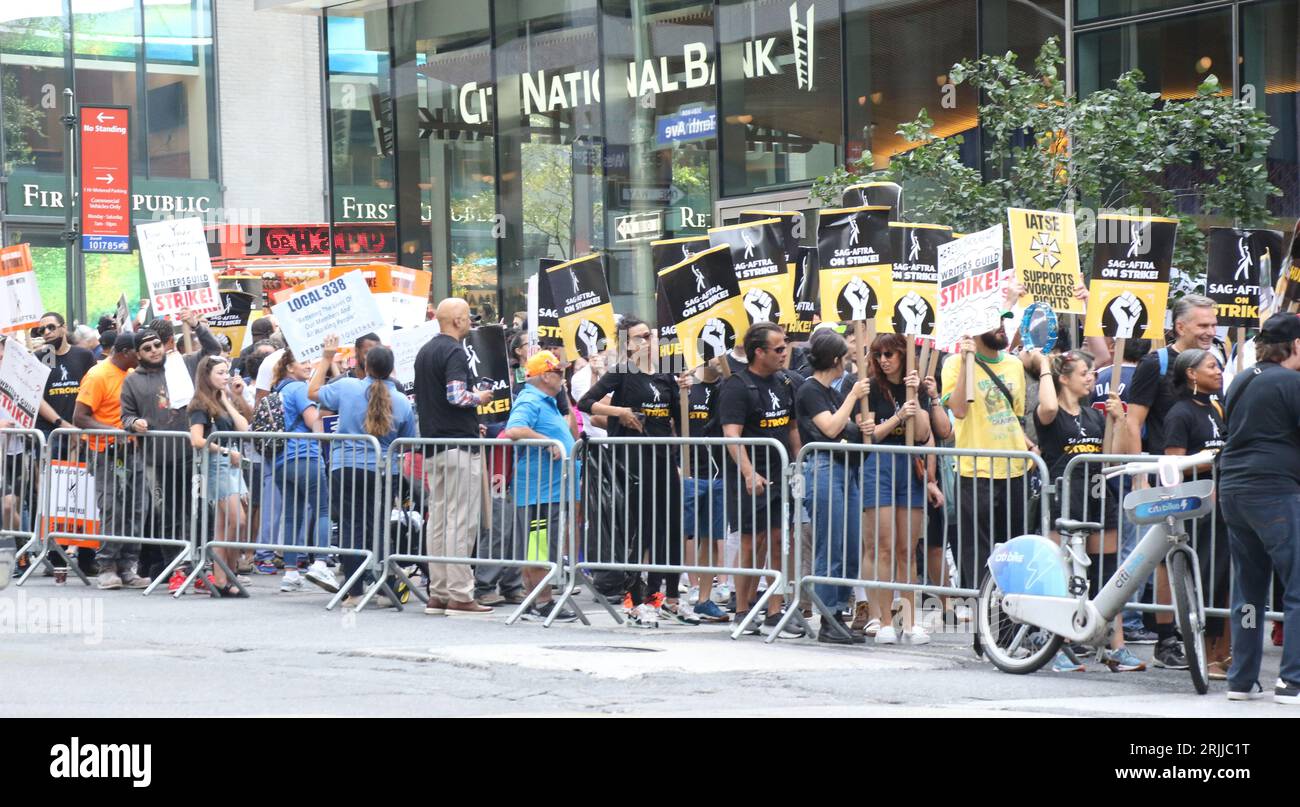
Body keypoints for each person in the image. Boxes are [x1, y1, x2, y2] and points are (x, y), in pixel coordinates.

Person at [1032, 349, 1144, 673]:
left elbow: (1112, 458)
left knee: (1107, 574)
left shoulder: (1094, 415)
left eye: (1092, 373)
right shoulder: (1049, 413)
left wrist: (1119, 420)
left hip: (1097, 500)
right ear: (1063, 378)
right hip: (1065, 500)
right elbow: (1050, 404)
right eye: (1084, 373)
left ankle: (1115, 647)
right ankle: (1058, 646)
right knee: (1063, 575)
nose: (1091, 378)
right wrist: (1043, 365)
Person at [578, 316, 691, 627]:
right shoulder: (623, 372)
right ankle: (634, 600)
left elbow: (677, 420)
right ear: (628, 344)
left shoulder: (668, 372)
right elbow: (585, 402)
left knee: (668, 530)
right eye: (640, 337)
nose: (648, 341)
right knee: (640, 530)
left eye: (650, 336)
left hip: (663, 457)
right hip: (632, 459)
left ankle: (667, 598)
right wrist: (620, 412)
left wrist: (684, 390)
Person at [1217, 313, 1300, 704]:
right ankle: (1293, 681)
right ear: (1296, 345)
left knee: (1248, 590)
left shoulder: (1242, 378)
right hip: (1275, 492)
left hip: (1235, 489)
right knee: (1297, 588)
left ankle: (1242, 678)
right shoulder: (1291, 382)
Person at [309, 334, 416, 609]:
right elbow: (408, 438)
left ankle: (354, 591)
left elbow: (312, 392)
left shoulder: (346, 387)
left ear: (365, 366)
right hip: (383, 471)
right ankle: (384, 588)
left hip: (346, 467)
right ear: (391, 369)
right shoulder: (402, 401)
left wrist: (327, 357)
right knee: (379, 527)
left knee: (350, 527)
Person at [719, 322, 804, 638]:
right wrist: (748, 472)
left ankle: (774, 612)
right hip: (751, 477)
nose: (785, 353)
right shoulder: (737, 386)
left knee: (781, 542)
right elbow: (731, 434)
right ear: (759, 352)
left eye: (785, 346)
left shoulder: (786, 381)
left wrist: (799, 464)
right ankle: (743, 609)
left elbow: (792, 426)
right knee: (752, 543)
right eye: (779, 348)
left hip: (782, 474)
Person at [414, 298, 494, 617]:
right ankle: (460, 594)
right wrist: (481, 398)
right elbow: (456, 395)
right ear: (458, 320)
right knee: (461, 521)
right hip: (458, 447)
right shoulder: (455, 351)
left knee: (441, 520)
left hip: (434, 445)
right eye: (468, 319)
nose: (471, 324)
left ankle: (439, 592)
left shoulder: (424, 352)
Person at [861, 332, 942, 645]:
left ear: (902, 355)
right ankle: (882, 620)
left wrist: (916, 397)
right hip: (878, 465)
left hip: (909, 467)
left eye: (889, 354)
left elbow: (923, 434)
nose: (883, 360)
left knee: (907, 549)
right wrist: (897, 414)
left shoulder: (916, 385)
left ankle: (909, 620)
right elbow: (870, 435)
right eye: (879, 354)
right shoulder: (869, 386)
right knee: (882, 546)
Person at [941, 324, 1033, 592]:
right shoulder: (954, 364)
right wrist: (968, 360)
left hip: (1015, 470)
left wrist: (1028, 446)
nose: (1003, 329)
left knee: (1015, 550)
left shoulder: (1015, 364)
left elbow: (1016, 416)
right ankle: (984, 623)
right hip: (975, 471)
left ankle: (1013, 622)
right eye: (996, 325)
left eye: (1004, 323)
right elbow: (958, 409)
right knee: (977, 554)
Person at [794, 329, 869, 643]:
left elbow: (846, 427)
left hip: (845, 470)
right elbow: (830, 427)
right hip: (823, 468)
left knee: (850, 544)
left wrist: (861, 425)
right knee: (831, 545)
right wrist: (853, 397)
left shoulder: (834, 392)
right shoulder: (810, 390)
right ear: (837, 360)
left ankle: (838, 609)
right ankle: (828, 616)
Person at [118, 327, 204, 589]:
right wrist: (135, 423)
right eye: (147, 348)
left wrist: (196, 326)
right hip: (155, 459)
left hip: (190, 456)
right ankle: (176, 568)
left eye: (156, 345)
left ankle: (198, 566)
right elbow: (125, 417)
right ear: (138, 353)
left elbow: (212, 352)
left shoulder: (182, 366)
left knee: (195, 511)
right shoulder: (132, 381)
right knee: (165, 515)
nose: (154, 351)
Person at [1163, 348, 1230, 676]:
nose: (1218, 371)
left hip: (1224, 506)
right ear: (1191, 373)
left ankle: (1223, 651)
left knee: (1224, 577)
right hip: (1199, 507)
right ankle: (1203, 653)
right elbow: (1174, 465)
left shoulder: (1217, 407)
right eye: (1211, 366)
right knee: (1204, 576)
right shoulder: (1180, 413)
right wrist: (1214, 462)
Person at [502, 350, 579, 622]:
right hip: (539, 491)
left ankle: (537, 599)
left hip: (550, 490)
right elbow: (514, 430)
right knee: (539, 547)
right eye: (560, 373)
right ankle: (541, 602)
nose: (563, 377)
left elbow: (573, 434)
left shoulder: (547, 401)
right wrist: (546, 441)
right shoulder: (531, 399)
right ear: (546, 375)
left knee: (542, 546)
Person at [72, 331, 148, 590]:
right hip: (105, 452)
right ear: (126, 352)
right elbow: (80, 417)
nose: (143, 356)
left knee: (137, 508)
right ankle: (107, 566)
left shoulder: (132, 374)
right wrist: (112, 431)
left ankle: (128, 566)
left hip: (132, 451)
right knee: (112, 508)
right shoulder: (97, 375)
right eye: (139, 352)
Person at [267, 348, 337, 594]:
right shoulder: (299, 389)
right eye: (303, 361)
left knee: (291, 514)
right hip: (305, 455)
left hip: (280, 460)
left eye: (309, 361)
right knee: (322, 508)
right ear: (289, 367)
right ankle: (319, 562)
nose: (308, 365)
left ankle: (290, 572)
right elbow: (312, 422)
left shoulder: (279, 391)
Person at [188, 356, 251, 597]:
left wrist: (227, 398)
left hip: (232, 464)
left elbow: (244, 427)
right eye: (220, 373)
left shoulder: (221, 400)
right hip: (218, 465)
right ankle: (225, 574)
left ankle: (223, 577)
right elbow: (197, 439)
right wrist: (224, 450)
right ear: (207, 375)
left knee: (226, 526)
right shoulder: (199, 404)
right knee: (237, 521)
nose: (226, 377)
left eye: (227, 372)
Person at [1126, 295, 1217, 456]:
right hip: (1167, 474)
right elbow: (1133, 423)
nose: (1210, 332)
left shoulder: (1214, 364)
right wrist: (1138, 477)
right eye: (1203, 326)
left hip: (1210, 473)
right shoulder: (1154, 363)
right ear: (1180, 327)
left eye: (1213, 325)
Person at [681, 359, 730, 622]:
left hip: (718, 473)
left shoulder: (727, 385)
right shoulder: (687, 384)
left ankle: (704, 598)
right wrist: (678, 463)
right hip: (689, 472)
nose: (715, 358)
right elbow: (673, 425)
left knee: (711, 536)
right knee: (685, 533)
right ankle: (680, 592)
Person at [34, 312, 97, 443]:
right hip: (49, 431)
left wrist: (79, 424)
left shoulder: (84, 355)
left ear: (64, 328)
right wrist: (62, 424)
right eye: (42, 330)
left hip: (80, 429)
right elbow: (37, 397)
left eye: (51, 327)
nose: (46, 332)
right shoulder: (41, 357)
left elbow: (92, 392)